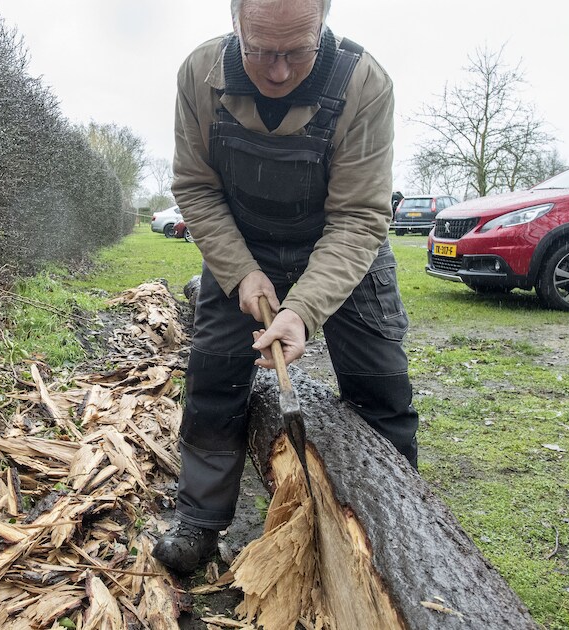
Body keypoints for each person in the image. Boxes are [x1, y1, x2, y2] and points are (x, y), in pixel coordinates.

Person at [153, 0, 419, 574]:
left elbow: (359, 218)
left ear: (323, 21)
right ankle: (200, 519)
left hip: (343, 239)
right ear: (235, 23)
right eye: (260, 51)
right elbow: (195, 187)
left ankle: (396, 538)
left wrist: (303, 309)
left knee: (380, 384)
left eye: (297, 52)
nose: (278, 71)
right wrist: (240, 272)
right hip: (242, 241)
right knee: (214, 376)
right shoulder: (199, 74)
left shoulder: (364, 84)